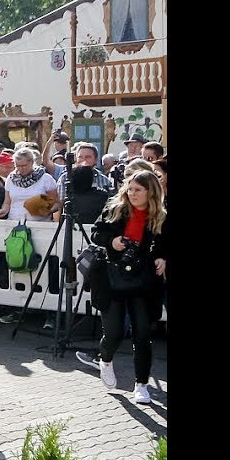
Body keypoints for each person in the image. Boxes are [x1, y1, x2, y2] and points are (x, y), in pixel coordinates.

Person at [76, 171, 166, 404]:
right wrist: (112, 241)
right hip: (112, 277)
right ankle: (105, 360)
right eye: (130, 188)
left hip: (144, 280)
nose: (132, 193)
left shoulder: (160, 216)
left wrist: (162, 257)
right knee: (114, 332)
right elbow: (96, 233)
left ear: (150, 192)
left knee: (143, 333)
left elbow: (165, 243)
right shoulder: (115, 208)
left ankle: (142, 384)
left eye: (138, 190)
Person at [4, 148, 59, 223]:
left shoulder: (45, 178)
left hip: (40, 224)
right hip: (15, 222)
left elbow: (56, 203)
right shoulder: (11, 179)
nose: (21, 168)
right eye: (18, 166)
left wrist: (48, 211)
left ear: (32, 162)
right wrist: (3, 210)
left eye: (24, 165)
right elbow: (7, 203)